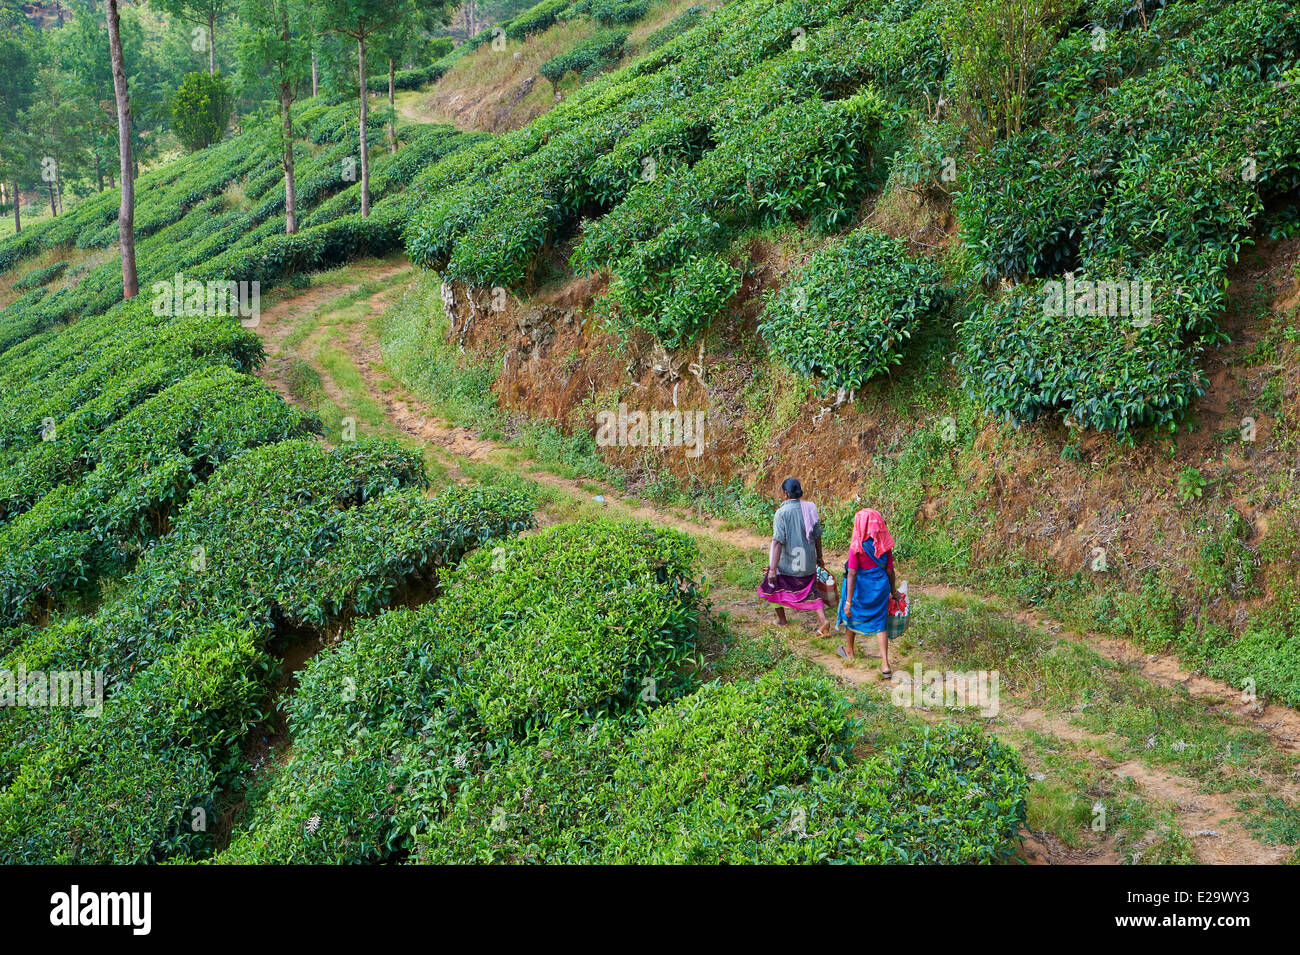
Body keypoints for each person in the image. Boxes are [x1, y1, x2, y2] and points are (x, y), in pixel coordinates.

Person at [757, 477, 831, 635]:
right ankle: (823, 621)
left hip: (789, 566)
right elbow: (817, 535)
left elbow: (777, 542)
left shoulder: (781, 513)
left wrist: (772, 569)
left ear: (785, 494)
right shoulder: (810, 508)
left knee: (771, 586)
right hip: (808, 565)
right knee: (813, 591)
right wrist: (820, 557)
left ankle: (782, 620)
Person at [836, 508, 901, 679]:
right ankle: (885, 663)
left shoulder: (856, 545)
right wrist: (893, 591)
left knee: (850, 616)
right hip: (880, 588)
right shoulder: (884, 545)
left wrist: (848, 602)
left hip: (861, 589)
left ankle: (849, 651)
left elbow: (852, 573)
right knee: (880, 623)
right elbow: (890, 571)